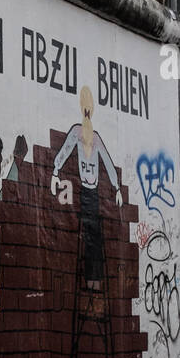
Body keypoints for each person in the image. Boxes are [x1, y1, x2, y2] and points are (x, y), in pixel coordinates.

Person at [51, 86, 121, 289]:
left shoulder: (94, 137)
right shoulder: (78, 132)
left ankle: (95, 282)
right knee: (91, 236)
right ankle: (92, 282)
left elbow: (107, 161)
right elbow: (65, 150)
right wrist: (55, 171)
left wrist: (116, 187)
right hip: (88, 192)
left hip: (92, 193)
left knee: (94, 237)